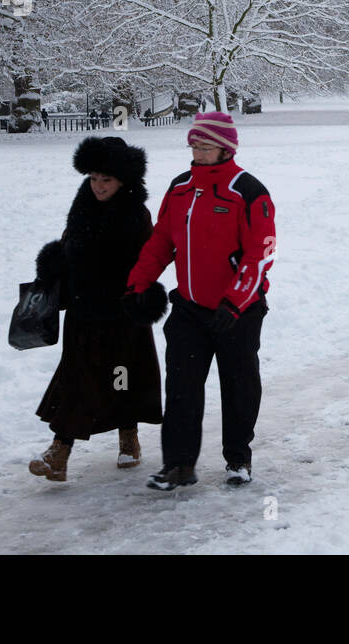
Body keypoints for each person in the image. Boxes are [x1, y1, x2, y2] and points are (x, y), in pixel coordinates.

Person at [124, 112, 276, 490]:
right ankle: (178, 464)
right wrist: (137, 284)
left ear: (226, 148)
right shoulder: (180, 188)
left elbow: (261, 254)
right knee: (181, 386)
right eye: (194, 145)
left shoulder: (249, 191)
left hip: (237, 311)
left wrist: (235, 302)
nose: (198, 153)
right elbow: (161, 242)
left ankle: (238, 458)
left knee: (239, 384)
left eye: (205, 146)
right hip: (189, 309)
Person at [29, 137, 164, 483]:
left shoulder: (136, 213)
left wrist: (136, 295)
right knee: (78, 379)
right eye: (93, 179)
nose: (99, 186)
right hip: (83, 312)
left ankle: (128, 435)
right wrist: (54, 265)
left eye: (106, 179)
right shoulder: (82, 206)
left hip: (121, 315)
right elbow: (68, 245)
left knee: (122, 377)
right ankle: (60, 451)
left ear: (122, 179)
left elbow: (148, 260)